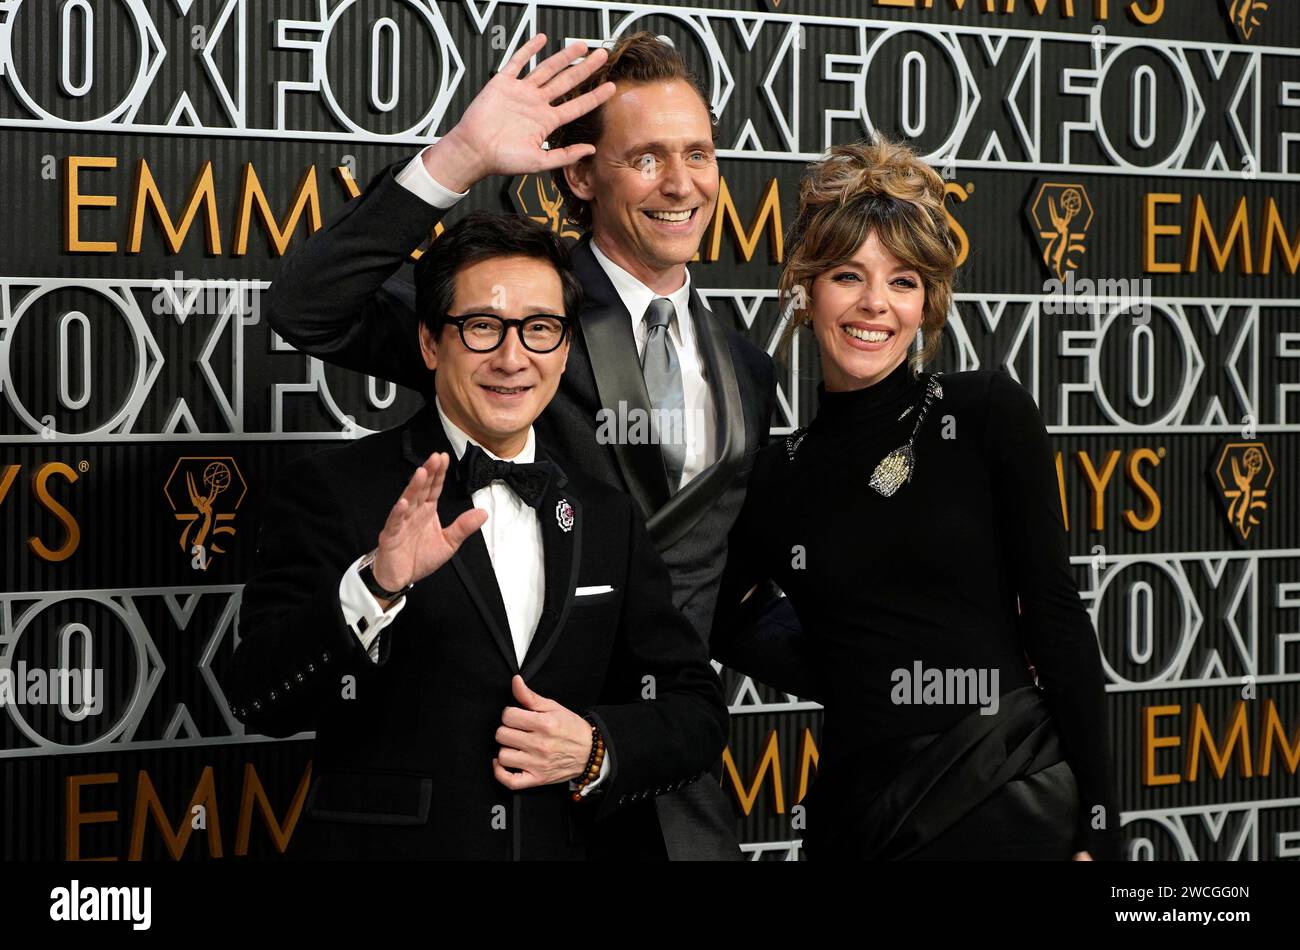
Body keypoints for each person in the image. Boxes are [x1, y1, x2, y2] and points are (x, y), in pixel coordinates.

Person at [263, 32, 778, 860]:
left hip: (670, 796)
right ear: (579, 175)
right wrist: (460, 158)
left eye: (698, 154)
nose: (681, 184)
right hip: (500, 793)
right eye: (645, 157)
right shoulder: (510, 317)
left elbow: (730, 593)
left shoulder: (750, 365)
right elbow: (307, 306)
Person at [227, 212, 728, 860]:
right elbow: (259, 697)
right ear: (432, 342)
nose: (513, 358)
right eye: (483, 327)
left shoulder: (608, 516)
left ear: (565, 347)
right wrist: (375, 587)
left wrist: (595, 747)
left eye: (540, 329)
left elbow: (696, 711)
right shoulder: (334, 488)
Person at [712, 138, 1122, 861]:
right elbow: (720, 615)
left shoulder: (988, 412)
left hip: (1010, 797)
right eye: (848, 275)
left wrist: (1100, 822)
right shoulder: (777, 474)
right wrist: (850, 669)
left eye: (903, 281)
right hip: (863, 819)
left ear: (927, 301)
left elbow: (1057, 617)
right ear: (805, 290)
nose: (876, 304)